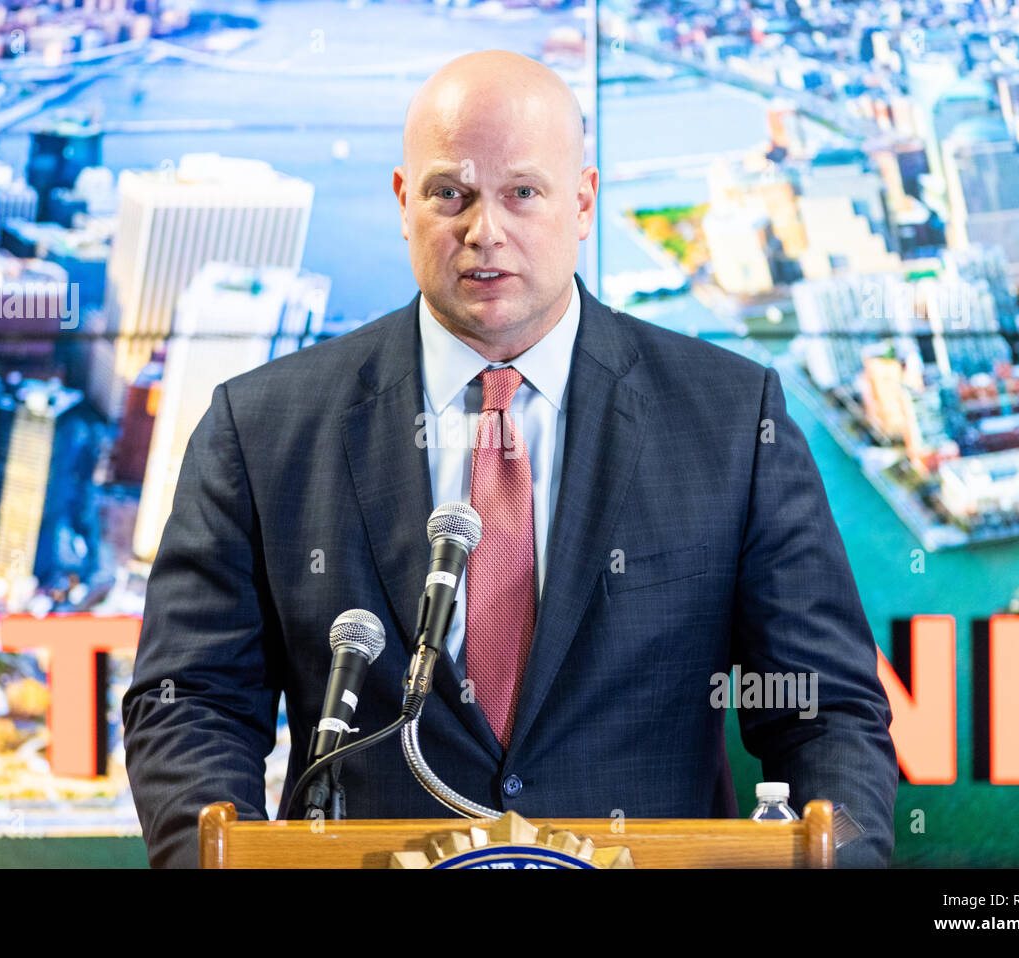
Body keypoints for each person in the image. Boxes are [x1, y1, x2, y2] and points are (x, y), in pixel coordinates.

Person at [123, 50, 898, 868]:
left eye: (522, 193)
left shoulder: (734, 421)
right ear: (403, 201)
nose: (483, 231)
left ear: (584, 203)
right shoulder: (262, 427)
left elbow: (826, 714)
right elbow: (191, 703)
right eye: (449, 194)